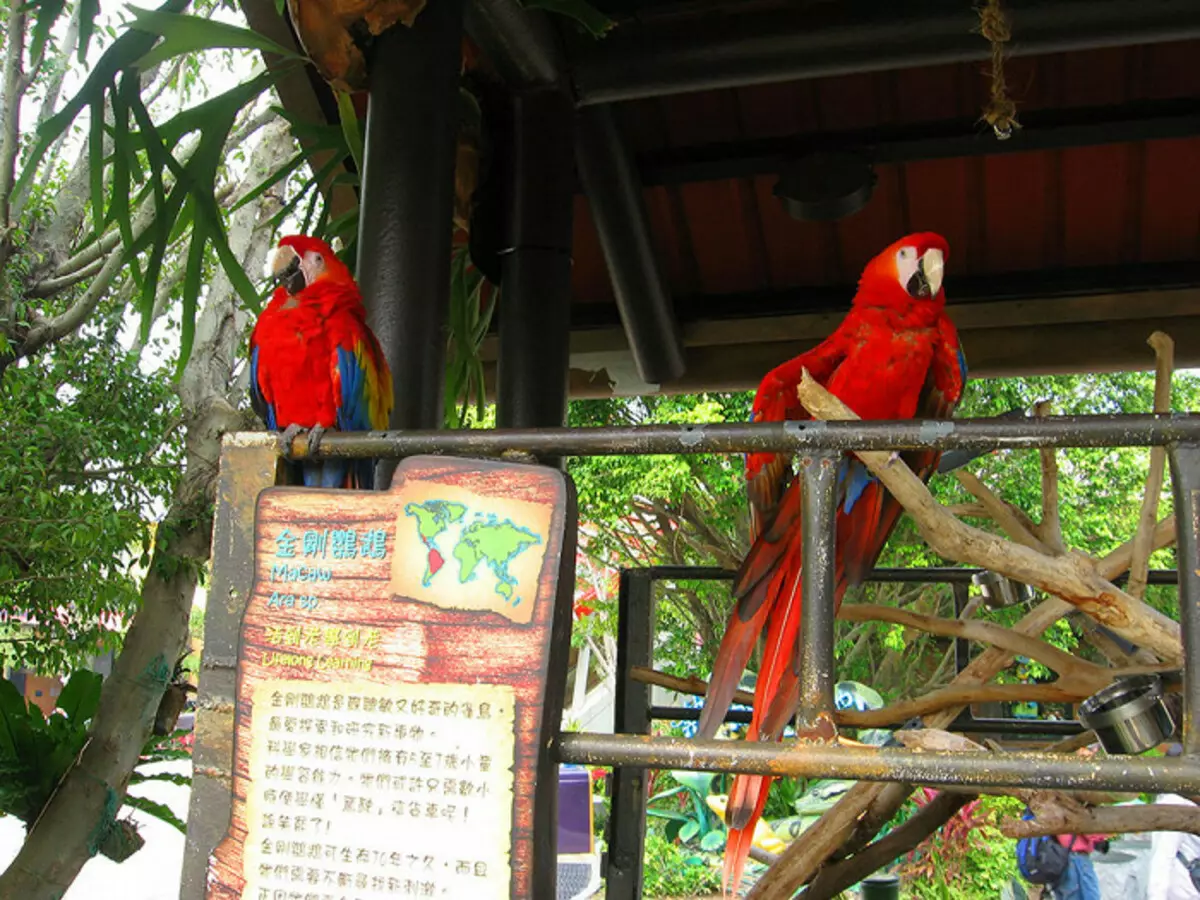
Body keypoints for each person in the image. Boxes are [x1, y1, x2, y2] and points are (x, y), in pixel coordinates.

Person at [1146, 745, 1200, 900]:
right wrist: (1156, 896)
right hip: (1181, 887)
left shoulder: (1188, 799)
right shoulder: (1173, 802)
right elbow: (1163, 855)